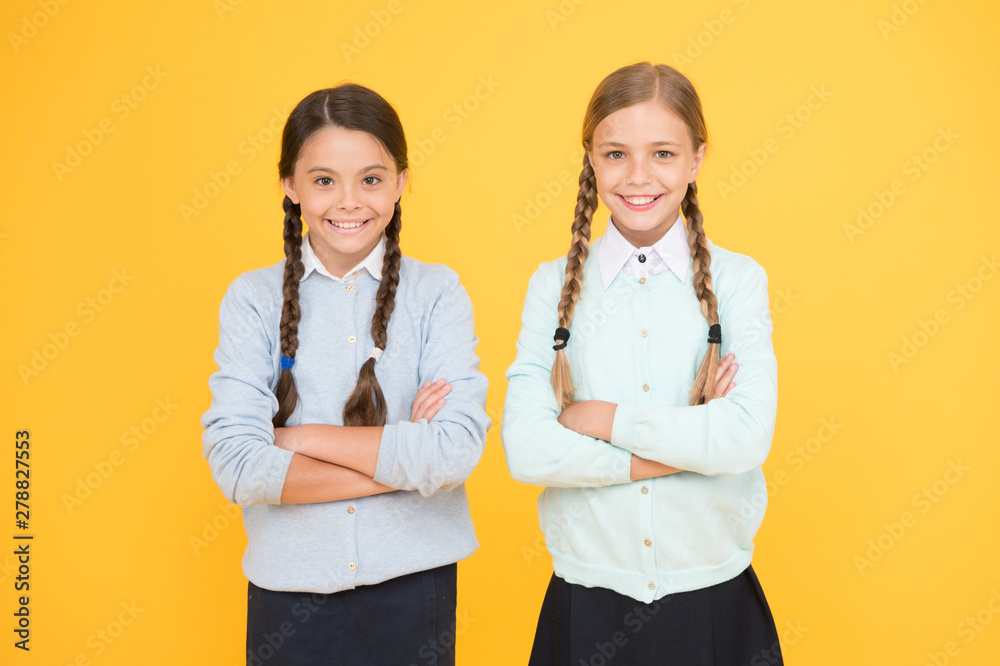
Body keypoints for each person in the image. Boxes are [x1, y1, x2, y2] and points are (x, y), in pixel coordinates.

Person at [502, 62, 782, 664]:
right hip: (586, 605)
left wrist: (595, 416)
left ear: (696, 159)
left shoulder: (738, 281)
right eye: (615, 154)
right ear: (591, 159)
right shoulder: (550, 287)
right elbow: (527, 452)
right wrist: (687, 447)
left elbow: (743, 439)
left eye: (662, 153)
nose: (637, 176)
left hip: (713, 603)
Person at [201, 83, 490, 666]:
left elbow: (455, 451)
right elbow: (237, 465)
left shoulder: (438, 294)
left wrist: (299, 438)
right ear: (290, 185)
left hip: (417, 591)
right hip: (289, 596)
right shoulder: (252, 300)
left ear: (402, 181)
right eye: (324, 179)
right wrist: (407, 464)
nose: (350, 201)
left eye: (372, 178)